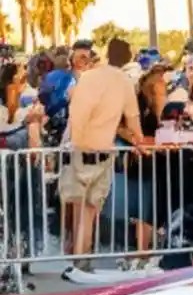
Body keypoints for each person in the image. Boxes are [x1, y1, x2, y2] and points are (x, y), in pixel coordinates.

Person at [61, 39, 145, 279]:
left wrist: (75, 141)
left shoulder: (90, 78)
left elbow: (78, 114)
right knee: (89, 210)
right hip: (102, 152)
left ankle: (79, 260)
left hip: (81, 150)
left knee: (80, 209)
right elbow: (133, 117)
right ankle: (80, 260)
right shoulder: (124, 82)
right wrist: (139, 141)